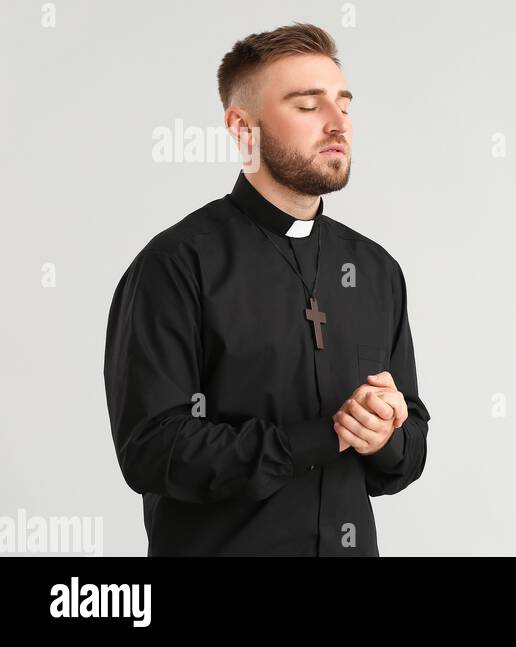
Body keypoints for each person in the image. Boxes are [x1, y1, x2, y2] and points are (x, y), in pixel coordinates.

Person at [103, 23, 428, 556]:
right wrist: (323, 436)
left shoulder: (376, 270)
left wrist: (385, 434)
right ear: (242, 127)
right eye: (307, 106)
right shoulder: (176, 265)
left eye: (344, 104)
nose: (336, 123)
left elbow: (407, 452)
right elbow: (152, 449)